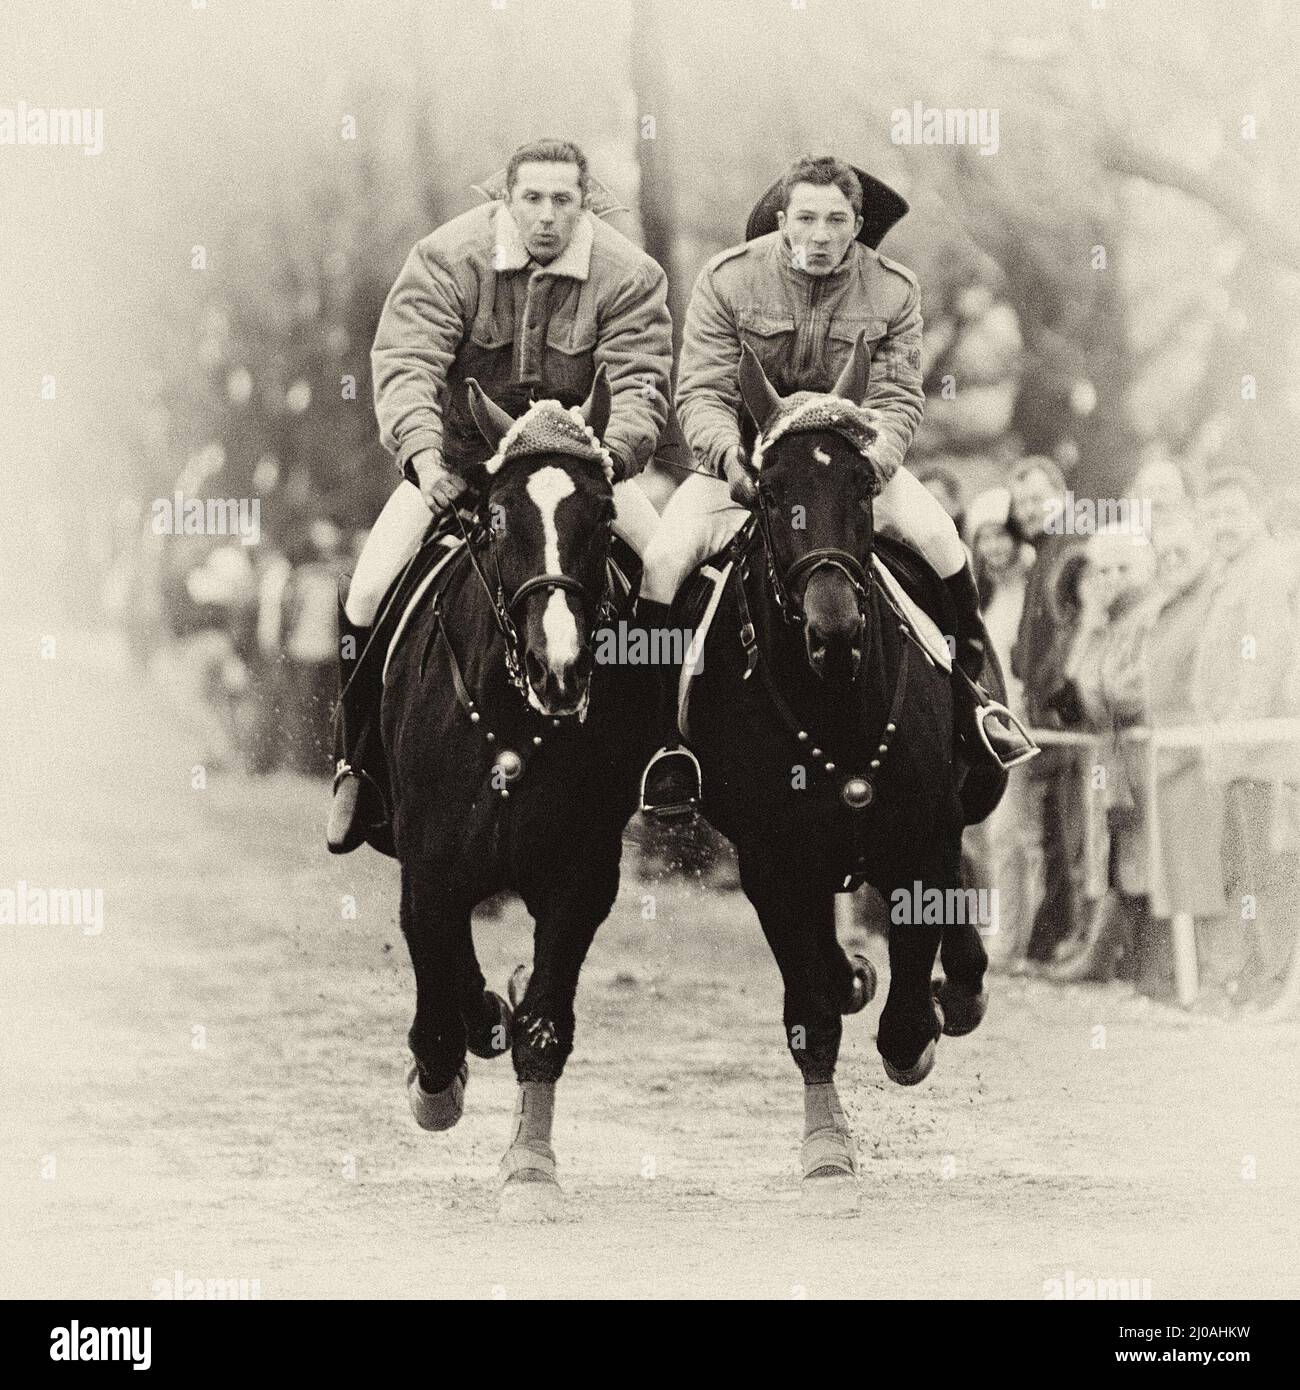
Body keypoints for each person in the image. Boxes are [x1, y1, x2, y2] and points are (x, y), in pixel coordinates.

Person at [638, 153, 1034, 817]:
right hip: (748, 468)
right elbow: (702, 389)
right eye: (806, 219)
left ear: (856, 224)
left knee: (940, 540)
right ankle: (658, 744)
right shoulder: (726, 280)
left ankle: (975, 701)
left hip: (849, 469)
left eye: (836, 220)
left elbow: (901, 395)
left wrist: (876, 465)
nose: (820, 234)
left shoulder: (894, 290)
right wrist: (729, 459)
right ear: (782, 222)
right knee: (659, 563)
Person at [328, 137, 674, 852]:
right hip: (462, 463)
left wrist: (610, 458)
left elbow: (641, 381)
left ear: (587, 204)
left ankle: (670, 753)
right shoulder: (445, 257)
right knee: (364, 595)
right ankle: (357, 763)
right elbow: (407, 361)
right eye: (533, 199)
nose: (547, 216)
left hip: (578, 470)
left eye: (564, 200)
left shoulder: (631, 274)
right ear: (506, 198)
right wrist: (424, 458)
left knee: (675, 571)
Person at [1190, 467, 1296, 1006]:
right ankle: (1257, 984)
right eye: (1212, 516)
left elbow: (1266, 659)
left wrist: (1238, 732)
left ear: (1257, 515)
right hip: (1239, 758)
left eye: (1232, 513)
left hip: (1264, 756)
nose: (1222, 525)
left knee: (1271, 876)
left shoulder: (1269, 569)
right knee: (1249, 875)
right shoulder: (1231, 572)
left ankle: (1275, 988)